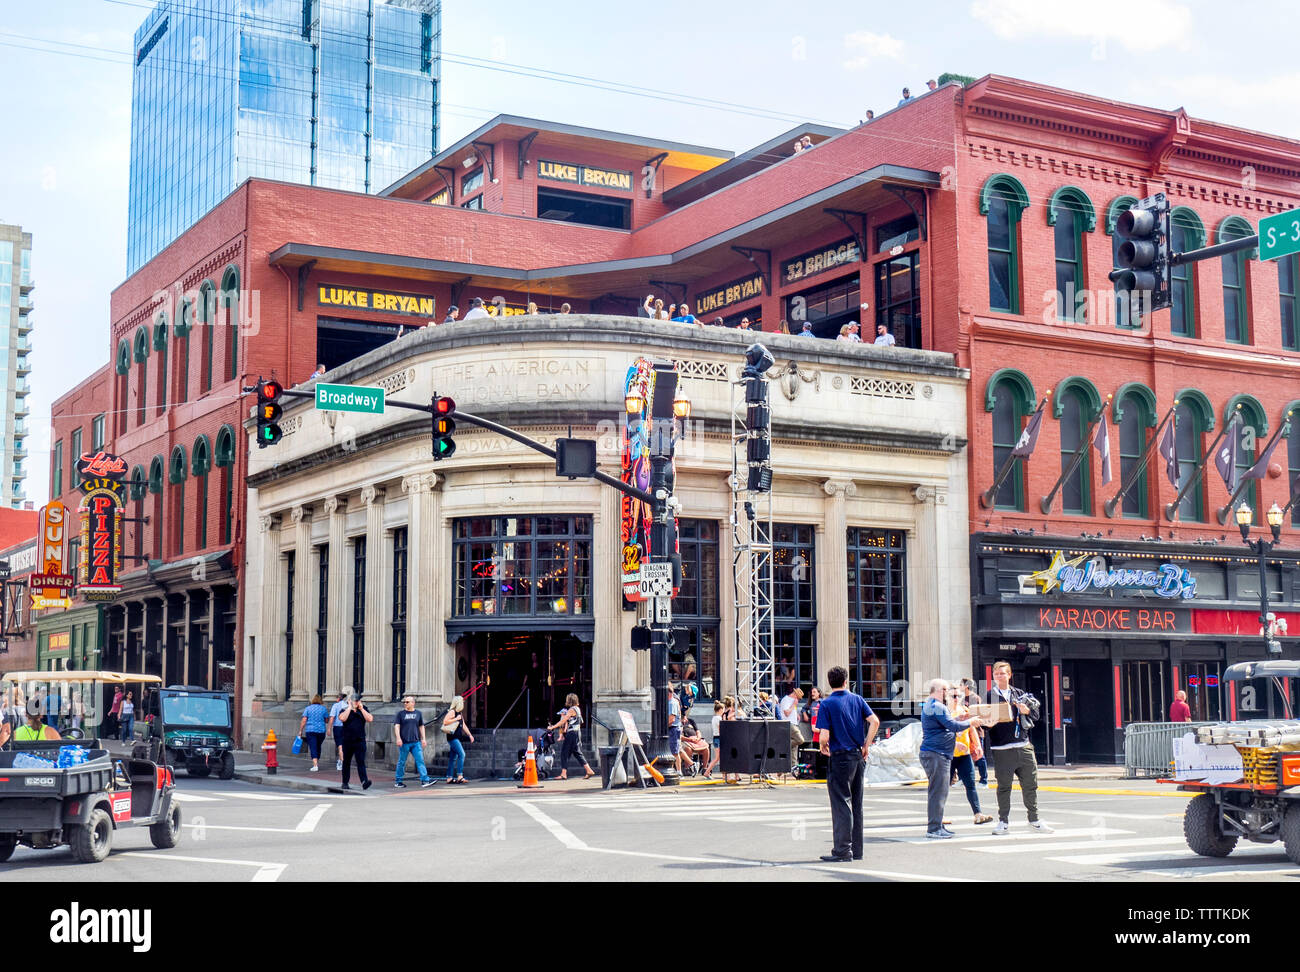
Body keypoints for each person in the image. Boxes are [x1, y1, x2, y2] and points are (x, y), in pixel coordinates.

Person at [815, 665, 880, 862]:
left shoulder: (826, 704)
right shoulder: (857, 699)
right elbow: (874, 721)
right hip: (857, 755)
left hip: (840, 756)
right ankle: (857, 850)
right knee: (857, 802)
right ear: (846, 681)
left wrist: (822, 746)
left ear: (829, 682)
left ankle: (843, 850)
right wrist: (866, 744)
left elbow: (824, 735)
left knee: (841, 802)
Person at [986, 661, 1052, 834]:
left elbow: (1036, 715)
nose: (999, 676)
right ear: (993, 676)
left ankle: (1034, 819)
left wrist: (1026, 711)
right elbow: (983, 723)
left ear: (1009, 675)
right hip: (1002, 747)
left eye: (1002, 673)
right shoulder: (989, 696)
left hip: (1023, 745)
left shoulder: (1019, 694)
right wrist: (988, 723)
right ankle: (1003, 822)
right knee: (1004, 787)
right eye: (996, 673)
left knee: (1030, 784)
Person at [920, 680, 985, 838]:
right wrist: (970, 722)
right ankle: (934, 829)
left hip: (935, 753)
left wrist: (960, 721)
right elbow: (953, 727)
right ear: (940, 690)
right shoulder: (938, 706)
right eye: (947, 690)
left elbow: (944, 726)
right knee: (938, 792)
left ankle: (937, 826)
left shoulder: (931, 705)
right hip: (937, 754)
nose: (948, 693)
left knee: (938, 792)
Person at [951, 686, 994, 826]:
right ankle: (936, 816)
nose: (956, 699)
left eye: (958, 696)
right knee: (942, 787)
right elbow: (942, 732)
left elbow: (971, 727)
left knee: (970, 784)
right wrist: (954, 743)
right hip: (948, 755)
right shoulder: (944, 712)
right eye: (953, 696)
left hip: (964, 754)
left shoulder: (964, 710)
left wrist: (976, 745)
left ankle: (978, 814)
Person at [547, 693, 595, 780]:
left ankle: (563, 774)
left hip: (572, 733)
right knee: (577, 753)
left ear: (569, 701)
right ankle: (589, 770)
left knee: (564, 753)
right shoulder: (577, 709)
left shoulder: (571, 710)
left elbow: (563, 721)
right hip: (576, 733)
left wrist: (552, 727)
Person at [392, 695, 436, 788]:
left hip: (416, 742)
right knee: (402, 761)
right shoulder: (400, 714)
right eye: (404, 702)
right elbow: (397, 726)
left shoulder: (418, 713)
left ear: (413, 703)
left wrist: (423, 738)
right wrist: (398, 738)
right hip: (404, 742)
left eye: (407, 702)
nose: (405, 703)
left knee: (420, 760)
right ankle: (398, 781)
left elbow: (421, 726)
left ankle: (425, 780)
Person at [337, 694, 373, 790]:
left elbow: (370, 719)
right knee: (346, 762)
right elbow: (342, 718)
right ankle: (345, 782)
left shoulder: (363, 709)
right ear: (350, 701)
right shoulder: (344, 710)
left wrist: (362, 709)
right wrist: (349, 708)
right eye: (354, 701)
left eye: (358, 701)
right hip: (347, 740)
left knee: (361, 761)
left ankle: (364, 781)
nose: (356, 702)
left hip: (360, 740)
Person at [960, 678, 988, 785]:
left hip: (976, 732)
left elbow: (981, 714)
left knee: (979, 755)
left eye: (961, 684)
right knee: (964, 756)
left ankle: (984, 780)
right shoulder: (962, 699)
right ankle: (963, 779)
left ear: (966, 686)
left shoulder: (975, 698)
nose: (959, 687)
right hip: (965, 731)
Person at [441, 696, 474, 783]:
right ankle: (460, 776)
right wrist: (456, 719)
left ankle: (449, 778)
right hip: (452, 737)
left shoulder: (459, 713)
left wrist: (470, 735)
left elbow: (463, 725)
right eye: (462, 702)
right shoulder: (452, 712)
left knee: (453, 758)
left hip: (457, 737)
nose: (463, 703)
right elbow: (445, 722)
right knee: (462, 754)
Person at [298, 694, 329, 772]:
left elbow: (304, 720)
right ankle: (316, 762)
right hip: (321, 731)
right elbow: (326, 720)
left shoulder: (308, 708)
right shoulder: (323, 709)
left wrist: (300, 731)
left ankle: (315, 765)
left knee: (313, 747)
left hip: (310, 730)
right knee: (318, 746)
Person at [327, 691, 348, 771]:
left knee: (340, 746)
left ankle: (341, 763)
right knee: (344, 746)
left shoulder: (336, 705)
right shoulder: (351, 706)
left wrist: (329, 728)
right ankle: (340, 761)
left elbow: (332, 717)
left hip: (338, 727)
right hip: (348, 728)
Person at [704, 700, 724, 779]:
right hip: (719, 738)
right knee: (717, 758)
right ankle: (707, 771)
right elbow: (720, 729)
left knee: (718, 757)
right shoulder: (718, 718)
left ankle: (708, 771)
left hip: (716, 738)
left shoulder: (714, 718)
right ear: (720, 710)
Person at [667, 685, 683, 773]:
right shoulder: (672, 702)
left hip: (673, 728)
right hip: (673, 728)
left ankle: (679, 771)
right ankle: (674, 770)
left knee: (674, 751)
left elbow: (671, 719)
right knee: (673, 751)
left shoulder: (672, 703)